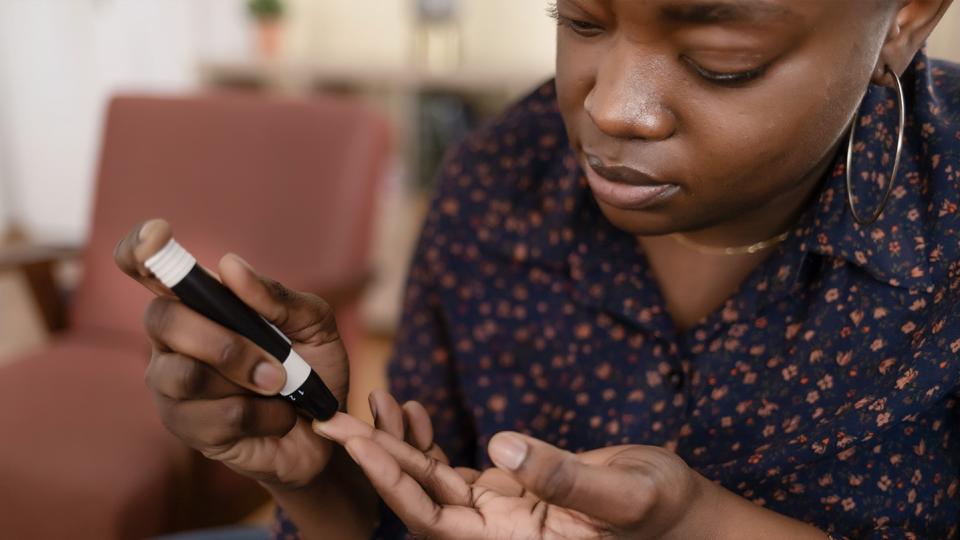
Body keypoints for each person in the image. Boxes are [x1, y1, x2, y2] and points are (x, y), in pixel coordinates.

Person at [116, 0, 960, 538]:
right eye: (582, 21)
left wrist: (699, 525)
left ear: (906, 19)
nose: (608, 107)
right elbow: (407, 505)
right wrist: (329, 480)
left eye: (719, 61)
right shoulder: (493, 187)